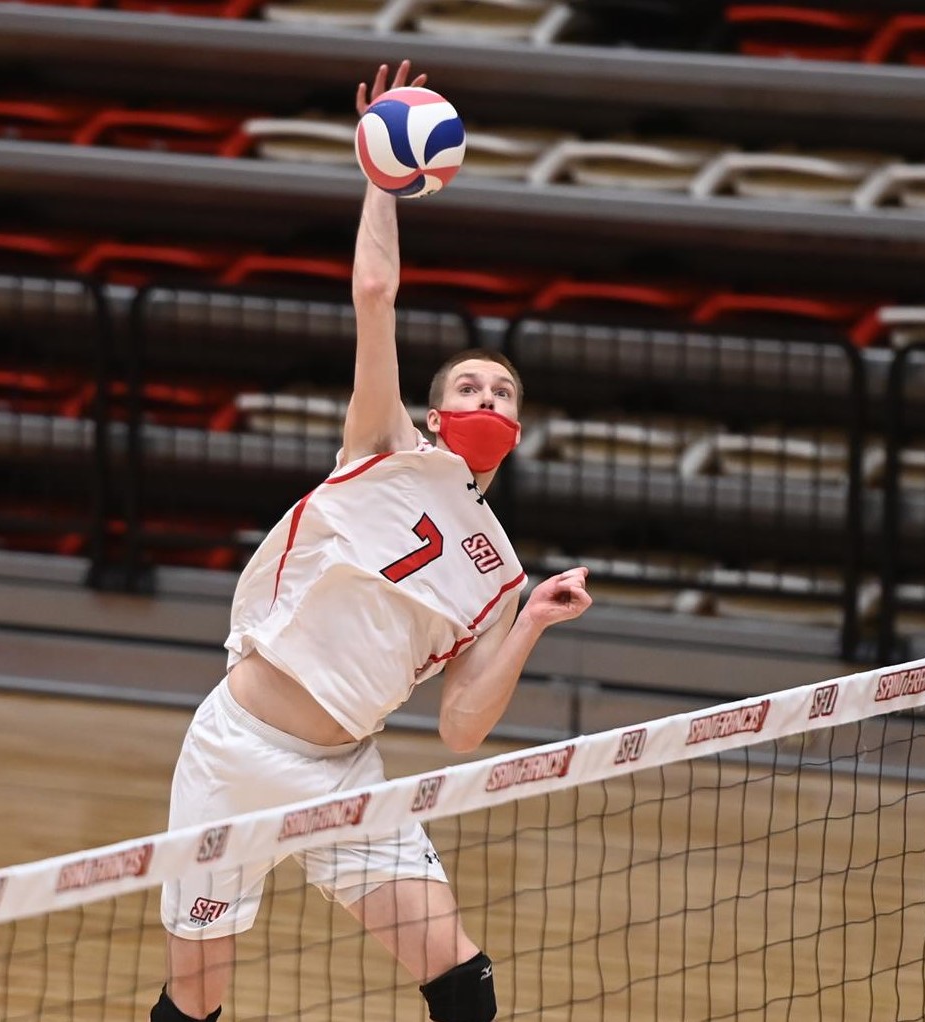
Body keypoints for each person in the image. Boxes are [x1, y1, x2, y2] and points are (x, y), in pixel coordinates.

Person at [151, 62, 593, 1022]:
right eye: (470, 387)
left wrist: (531, 625)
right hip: (234, 749)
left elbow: (461, 727)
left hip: (343, 772)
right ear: (433, 416)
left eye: (503, 392)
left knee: (460, 975)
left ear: (516, 428)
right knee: (198, 997)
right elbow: (375, 297)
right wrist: (378, 177)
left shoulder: (501, 575)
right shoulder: (383, 446)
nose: (487, 398)